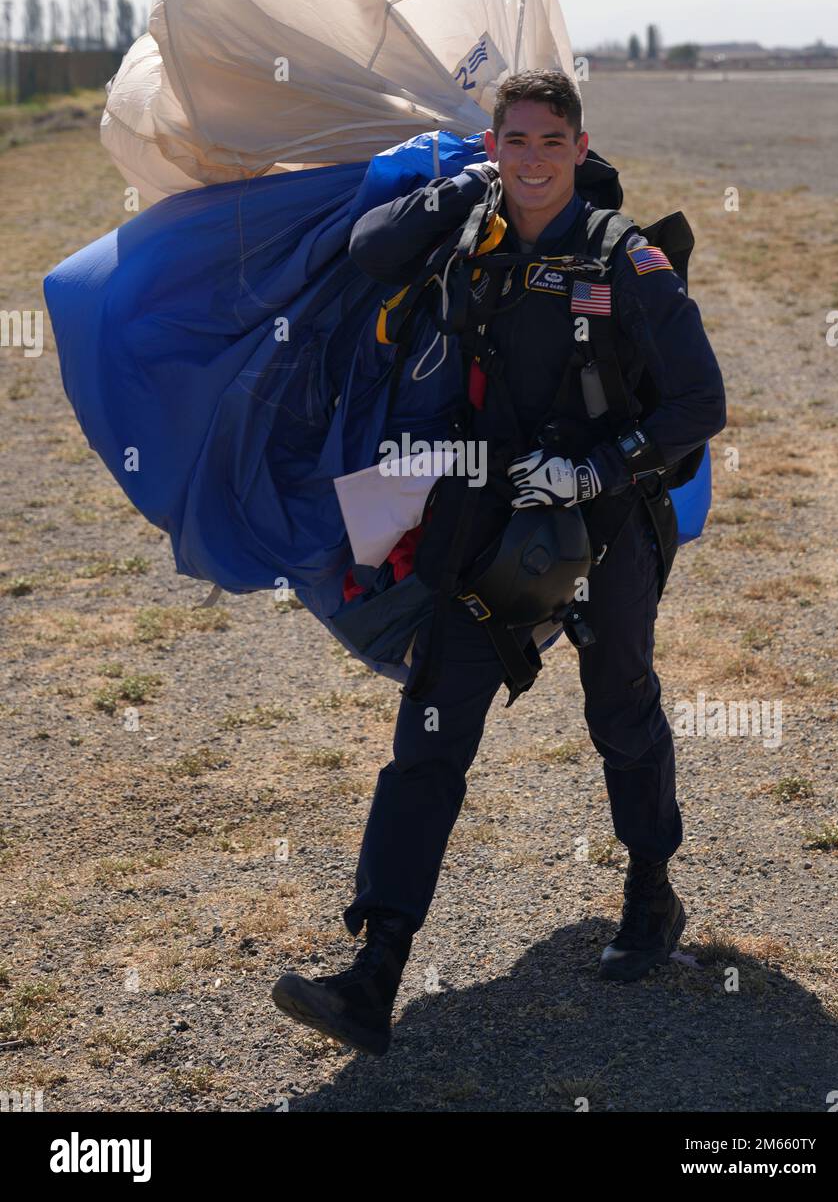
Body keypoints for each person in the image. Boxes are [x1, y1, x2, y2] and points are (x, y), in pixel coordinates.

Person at [271, 69, 726, 1056]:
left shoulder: (626, 260)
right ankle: (374, 973)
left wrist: (597, 465)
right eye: (510, 141)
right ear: (492, 144)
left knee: (619, 702)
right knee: (429, 727)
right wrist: (457, 188)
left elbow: (699, 403)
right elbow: (368, 250)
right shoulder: (468, 236)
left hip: (606, 518)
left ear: (577, 145)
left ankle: (651, 894)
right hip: (488, 518)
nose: (528, 160)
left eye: (546, 142)